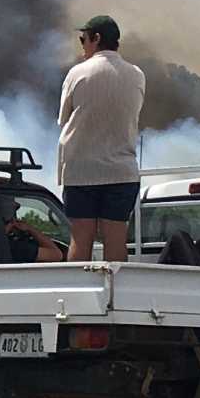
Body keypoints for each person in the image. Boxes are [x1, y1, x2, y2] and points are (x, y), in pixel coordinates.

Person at [58, 13, 146, 262]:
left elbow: (63, 119)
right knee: (116, 237)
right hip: (121, 170)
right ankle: (115, 295)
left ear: (96, 38)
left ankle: (78, 293)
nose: (82, 44)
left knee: (81, 236)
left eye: (83, 39)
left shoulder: (77, 73)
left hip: (81, 169)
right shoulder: (137, 75)